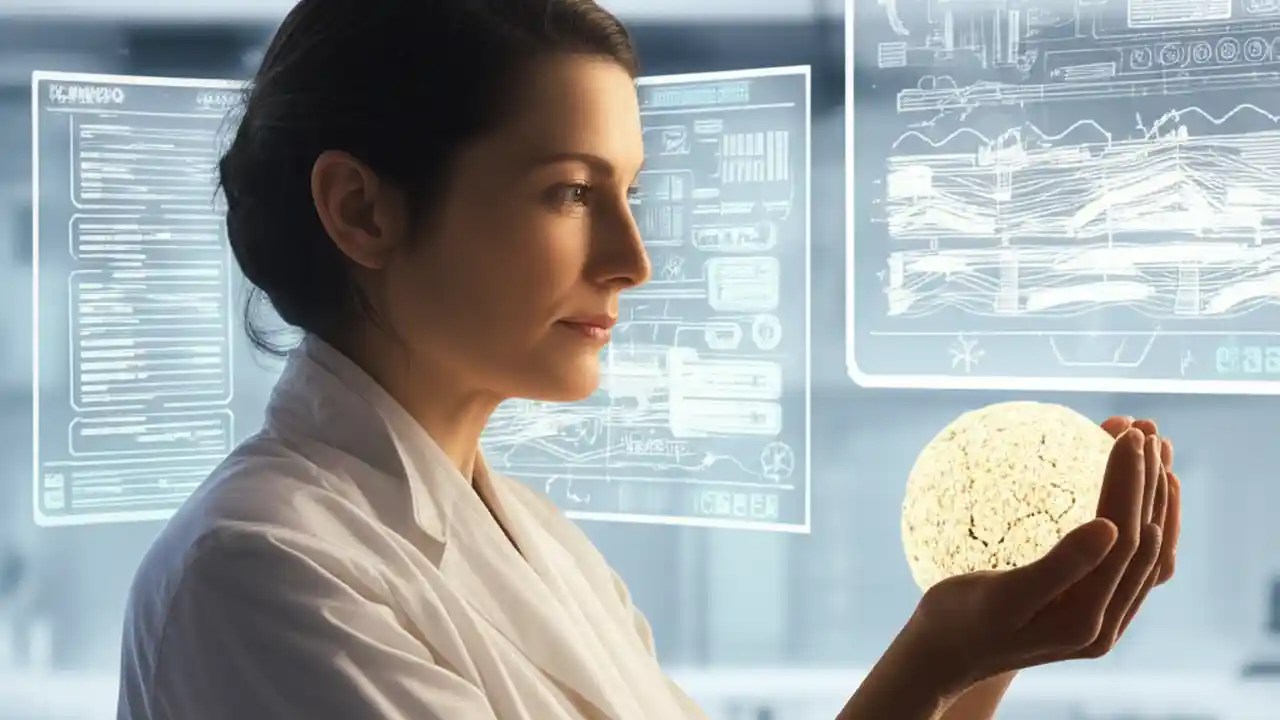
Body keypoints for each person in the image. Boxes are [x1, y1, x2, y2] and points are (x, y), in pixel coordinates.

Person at [115, 1, 1182, 718]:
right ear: (361, 209)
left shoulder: (540, 544)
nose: (632, 259)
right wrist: (936, 655)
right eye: (571, 192)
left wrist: (988, 651)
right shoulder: (258, 572)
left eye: (627, 192)